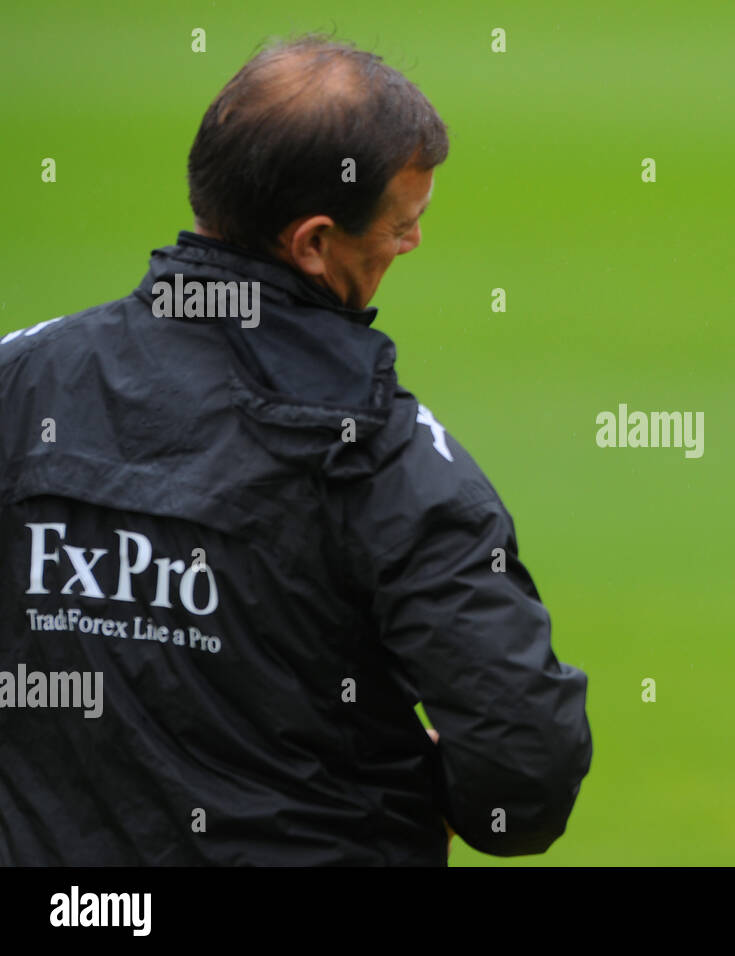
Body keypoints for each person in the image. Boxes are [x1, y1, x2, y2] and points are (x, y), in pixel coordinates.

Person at [0, 36, 591, 865]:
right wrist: (437, 793)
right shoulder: (388, 459)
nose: (411, 244)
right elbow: (524, 773)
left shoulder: (21, 378)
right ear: (313, 242)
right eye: (403, 224)